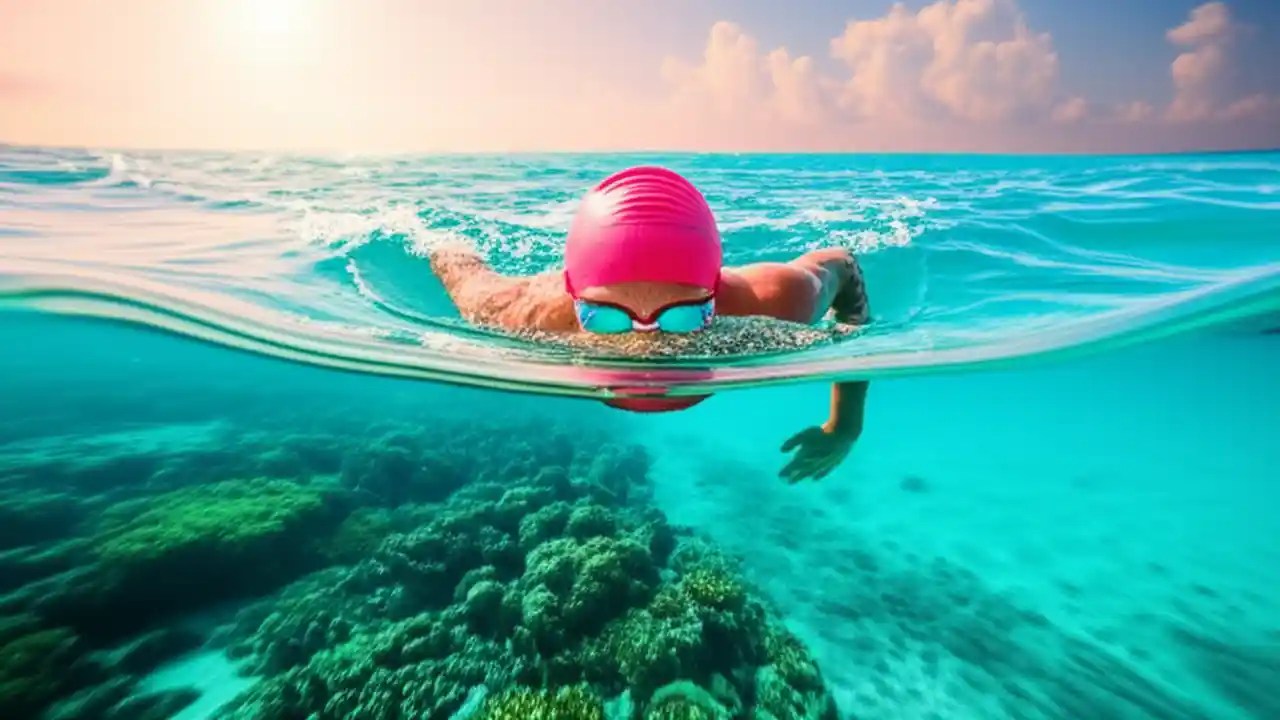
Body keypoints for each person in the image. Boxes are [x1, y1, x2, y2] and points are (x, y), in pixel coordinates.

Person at [425, 165, 870, 483]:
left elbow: (843, 265)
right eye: (604, 318)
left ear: (715, 296)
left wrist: (846, 425)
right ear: (573, 297)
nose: (647, 352)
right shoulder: (523, 312)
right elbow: (454, 261)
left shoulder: (777, 301)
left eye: (683, 315)